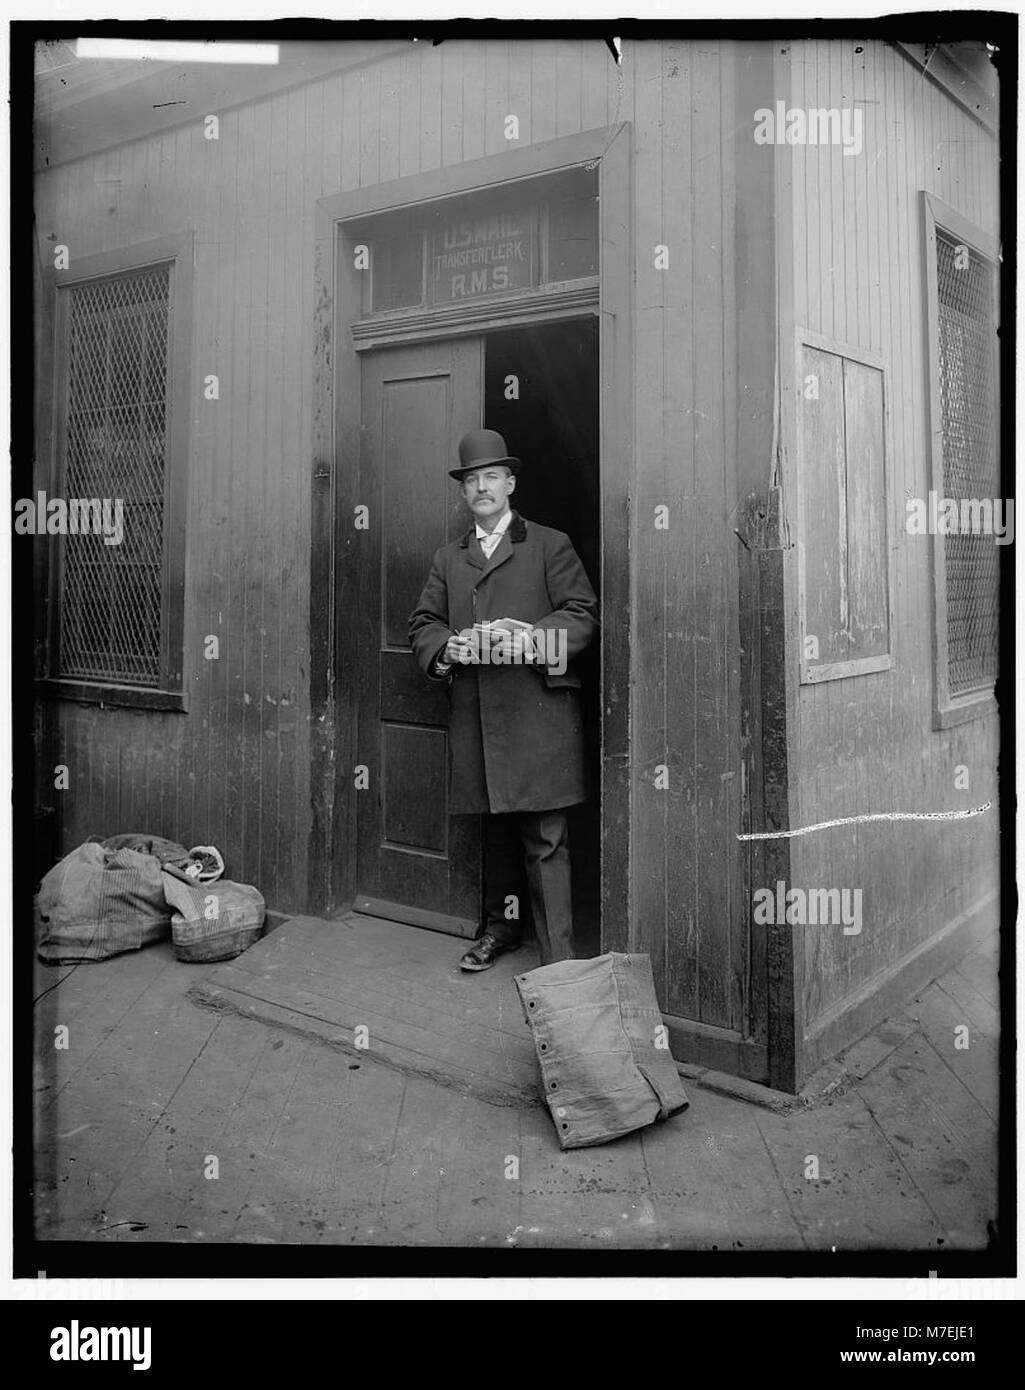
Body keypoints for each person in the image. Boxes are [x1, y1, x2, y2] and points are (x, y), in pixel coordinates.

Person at [408, 428, 599, 971]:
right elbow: (423, 623)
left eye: (491, 476)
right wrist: (450, 647)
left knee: (545, 837)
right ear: (464, 493)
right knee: (494, 830)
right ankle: (500, 931)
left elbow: (583, 614)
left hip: (538, 712)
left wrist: (531, 639)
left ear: (510, 484)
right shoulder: (450, 558)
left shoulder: (548, 543)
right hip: (479, 714)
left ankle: (559, 961)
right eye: (471, 480)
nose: (481, 487)